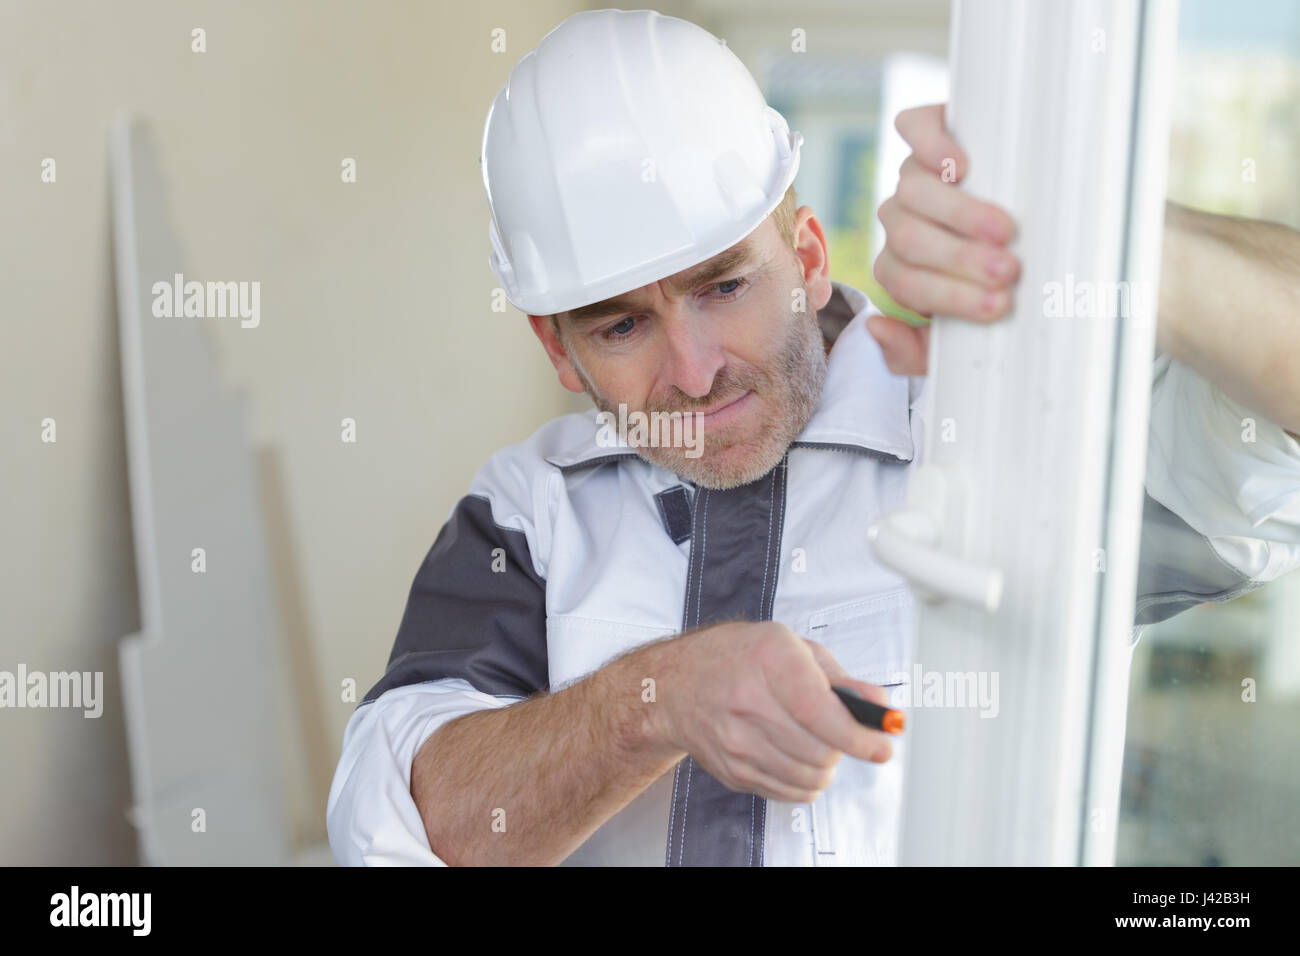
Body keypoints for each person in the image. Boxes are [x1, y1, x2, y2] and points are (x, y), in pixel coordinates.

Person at [326, 9, 1300, 866]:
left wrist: (1109, 238)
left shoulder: (1002, 438)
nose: (696, 371)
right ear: (558, 346)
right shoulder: (528, 514)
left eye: (724, 285)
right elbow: (402, 824)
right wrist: (653, 698)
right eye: (621, 325)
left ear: (804, 254)